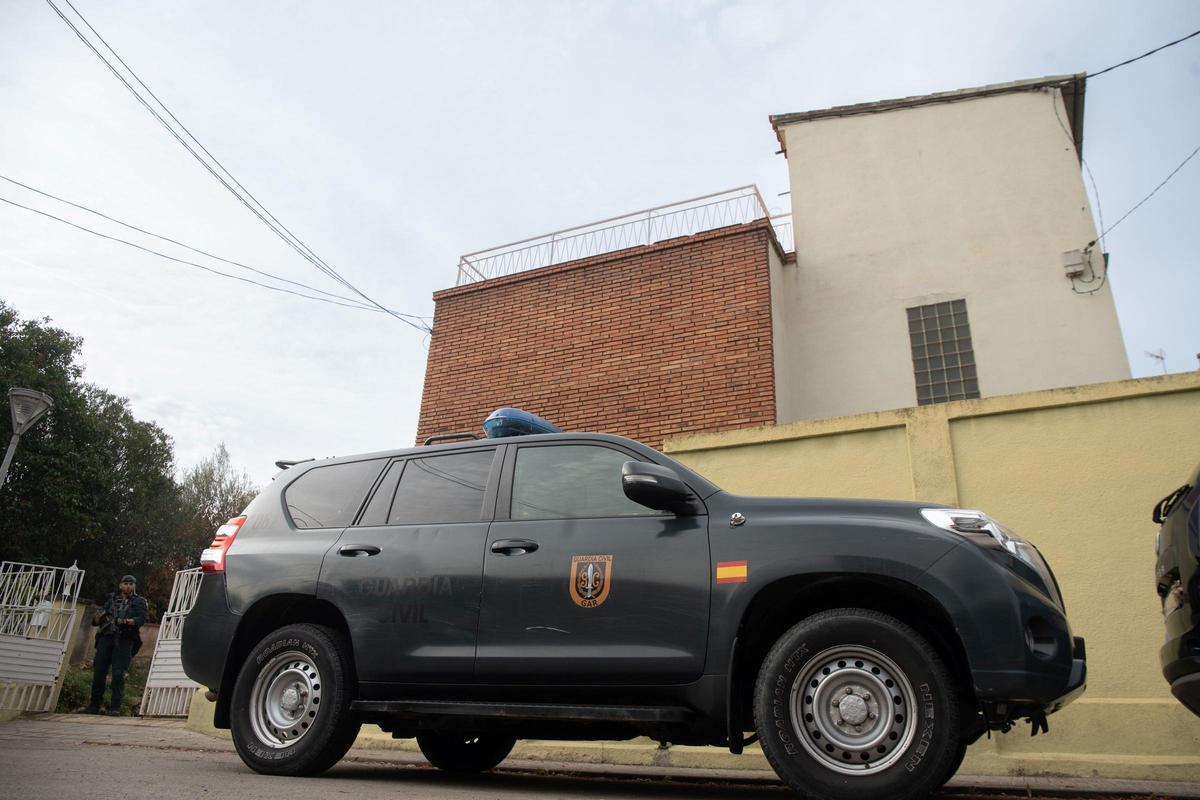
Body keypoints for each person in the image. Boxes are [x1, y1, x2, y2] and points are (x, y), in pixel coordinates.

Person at [86, 575, 147, 715]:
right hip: (106, 638)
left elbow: (140, 619)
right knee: (99, 671)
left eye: (131, 584)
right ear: (120, 585)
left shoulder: (139, 601)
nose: (128, 586)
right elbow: (96, 620)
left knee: (119, 674)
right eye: (125, 583)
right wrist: (101, 616)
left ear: (134, 586)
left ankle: (115, 708)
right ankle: (94, 706)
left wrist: (124, 621)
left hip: (124, 639)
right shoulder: (111, 600)